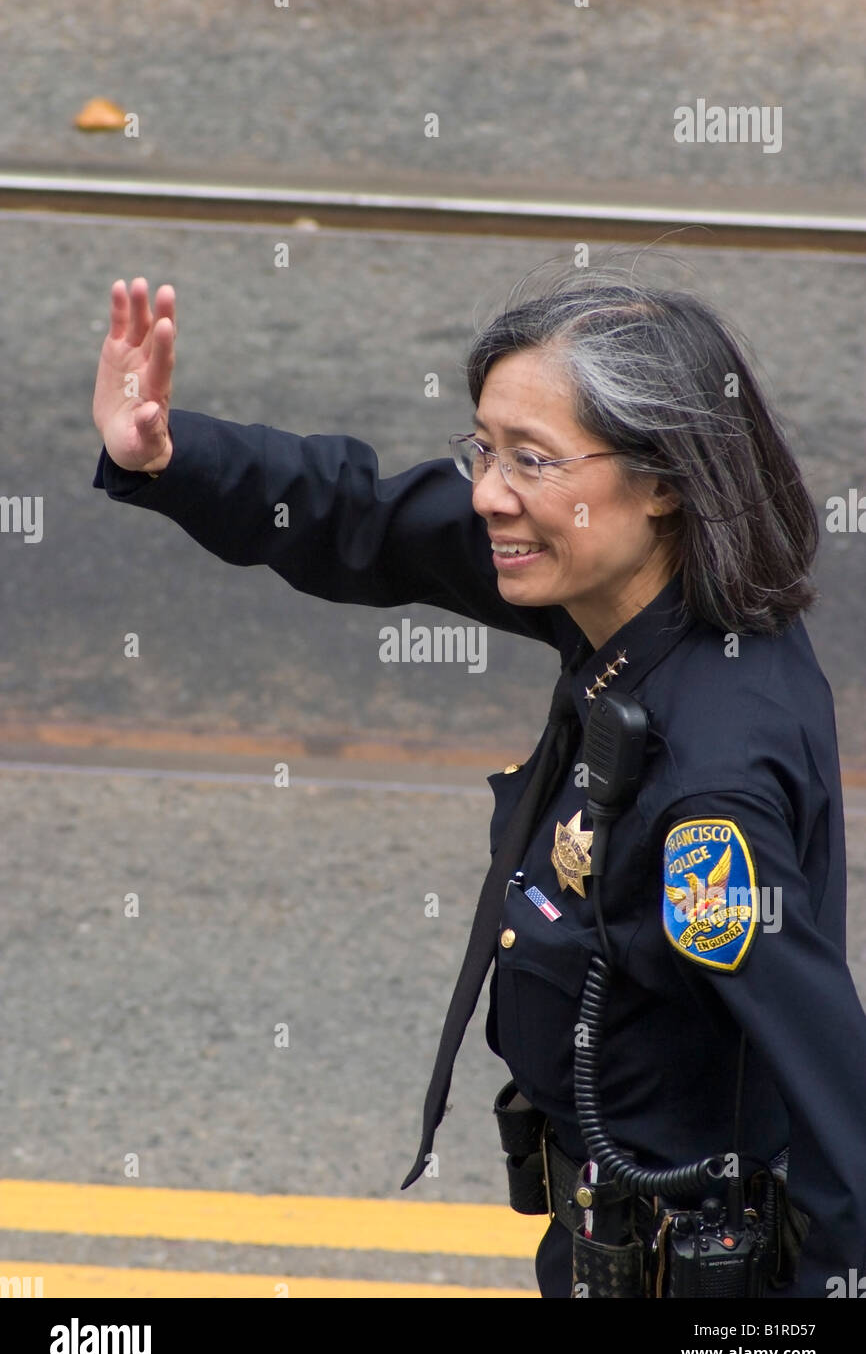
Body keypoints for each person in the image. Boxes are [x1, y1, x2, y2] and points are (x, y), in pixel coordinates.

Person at [91, 269, 866, 1299]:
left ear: (662, 477)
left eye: (529, 460)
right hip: (612, 1243)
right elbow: (365, 519)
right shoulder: (637, 588)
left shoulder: (707, 796)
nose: (488, 493)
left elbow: (834, 1099)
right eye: (483, 448)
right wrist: (168, 454)